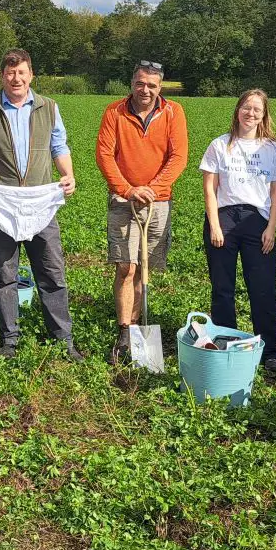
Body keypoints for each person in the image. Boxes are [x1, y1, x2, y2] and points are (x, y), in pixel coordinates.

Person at [0, 49, 83, 361]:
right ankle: (9, 340)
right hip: (2, 203)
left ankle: (63, 339)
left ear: (31, 74)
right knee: (4, 274)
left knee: (52, 273)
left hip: (40, 202)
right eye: (10, 73)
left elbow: (59, 145)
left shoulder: (49, 107)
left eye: (21, 73)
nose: (16, 78)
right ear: (2, 76)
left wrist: (68, 174)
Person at [96, 60, 188, 365]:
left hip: (158, 201)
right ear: (132, 84)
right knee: (126, 266)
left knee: (146, 266)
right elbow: (105, 155)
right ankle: (125, 330)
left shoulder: (173, 112)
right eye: (140, 83)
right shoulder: (115, 112)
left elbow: (178, 157)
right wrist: (128, 189)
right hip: (124, 200)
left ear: (160, 87)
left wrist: (152, 188)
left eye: (151, 85)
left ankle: (140, 328)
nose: (145, 90)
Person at [200, 90, 276, 372]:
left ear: (264, 115)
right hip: (224, 218)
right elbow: (210, 189)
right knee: (223, 288)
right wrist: (214, 225)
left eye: (257, 110)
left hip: (258, 222)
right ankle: (228, 342)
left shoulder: (272, 149)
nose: (251, 114)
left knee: (262, 289)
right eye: (246, 108)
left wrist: (271, 229)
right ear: (238, 110)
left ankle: (269, 351)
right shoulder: (219, 145)